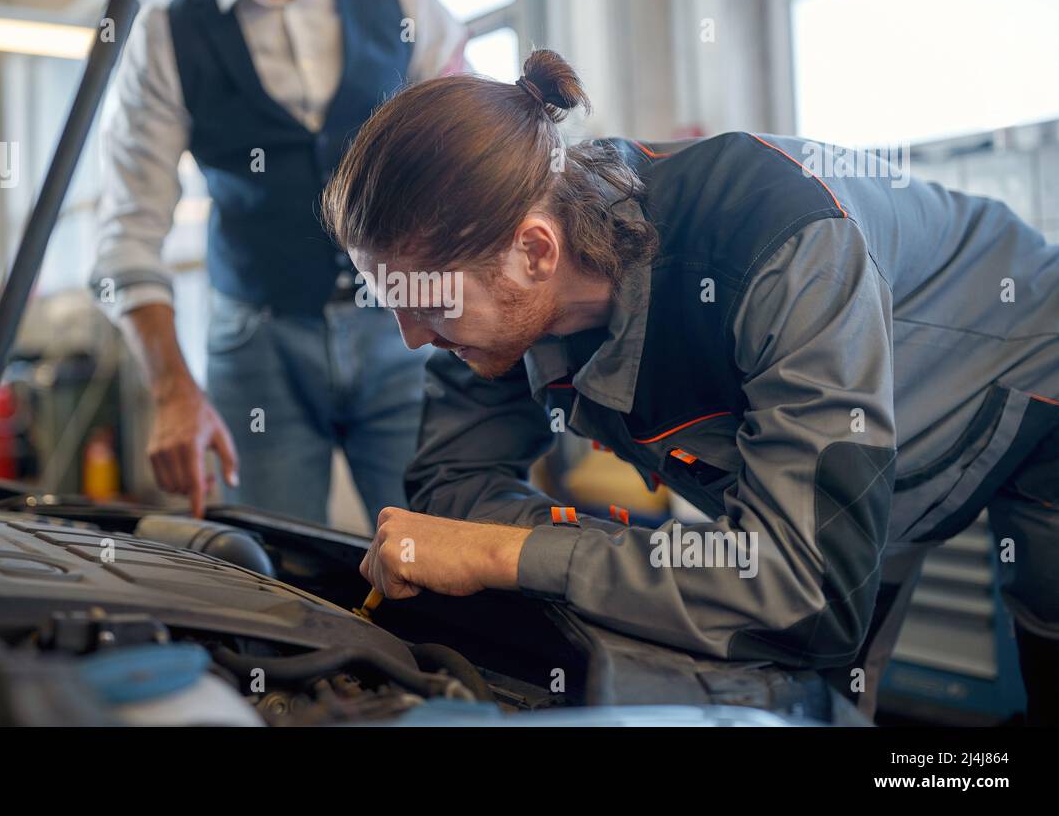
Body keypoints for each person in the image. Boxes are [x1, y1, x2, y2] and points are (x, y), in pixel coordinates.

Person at [322, 48, 1059, 723]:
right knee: (802, 695)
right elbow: (453, 490)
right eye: (393, 299)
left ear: (536, 252)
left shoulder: (779, 246)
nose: (412, 337)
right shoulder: (486, 267)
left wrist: (509, 554)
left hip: (1031, 369)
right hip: (846, 469)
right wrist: (556, 553)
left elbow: (806, 595)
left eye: (430, 304)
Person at [91, 0, 467, 523]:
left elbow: (470, 146)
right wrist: (173, 391)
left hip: (405, 329)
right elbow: (126, 233)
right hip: (257, 347)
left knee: (438, 547)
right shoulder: (165, 38)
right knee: (271, 569)